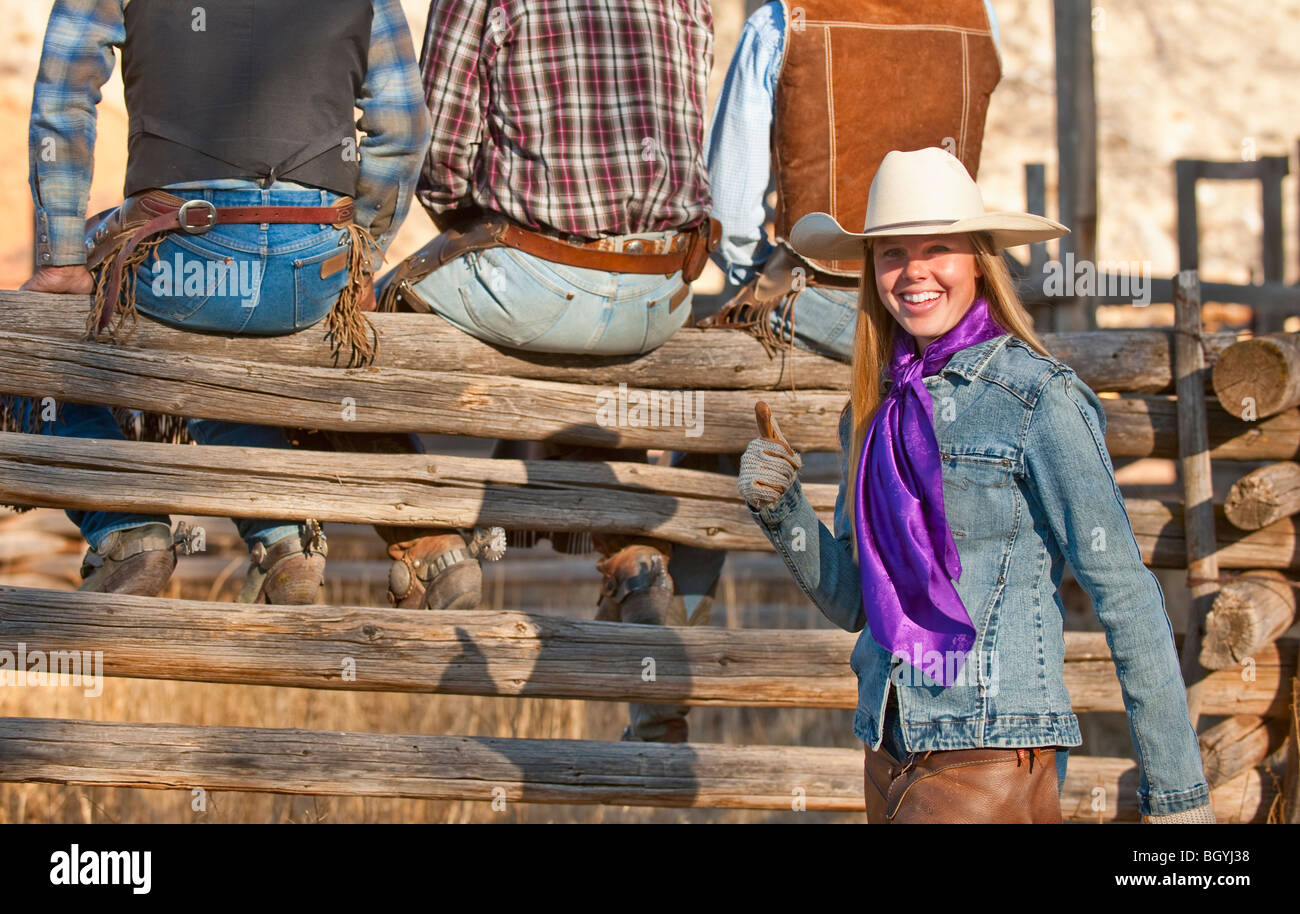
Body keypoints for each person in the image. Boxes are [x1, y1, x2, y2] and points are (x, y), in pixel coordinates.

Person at [736, 147, 1214, 823]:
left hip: (990, 753)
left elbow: (1125, 593)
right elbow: (859, 605)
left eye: (939, 248)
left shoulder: (1036, 399)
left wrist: (1177, 799)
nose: (914, 272)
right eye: (893, 253)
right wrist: (783, 510)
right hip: (889, 748)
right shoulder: (873, 412)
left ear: (979, 260)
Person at [356, 0, 717, 742]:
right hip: (660, 288)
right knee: (573, 370)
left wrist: (500, 225)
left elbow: (442, 148)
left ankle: (429, 544)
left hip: (545, 276)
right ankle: (636, 566)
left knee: (341, 330)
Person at [14, 0, 430, 601]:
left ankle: (126, 531)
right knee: (212, 359)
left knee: (28, 345)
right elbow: (403, 130)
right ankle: (284, 541)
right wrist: (359, 257)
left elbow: (62, 99)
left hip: (185, 254)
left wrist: (60, 263)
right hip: (310, 272)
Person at [671, 0, 1003, 627]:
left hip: (817, 290)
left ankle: (675, 632)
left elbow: (731, 206)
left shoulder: (784, 19)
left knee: (711, 405)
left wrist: (756, 279)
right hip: (943, 293)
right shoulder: (973, 15)